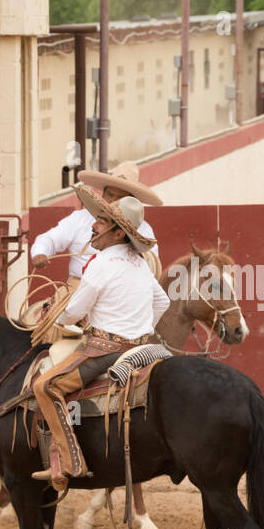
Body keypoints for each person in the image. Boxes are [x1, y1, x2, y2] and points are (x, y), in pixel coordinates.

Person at [30, 187, 171, 492]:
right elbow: (163, 303)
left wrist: (68, 315)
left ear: (119, 234)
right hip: (141, 348)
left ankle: (70, 462)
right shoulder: (140, 265)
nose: (94, 225)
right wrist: (140, 328)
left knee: (44, 385)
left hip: (105, 350)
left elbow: (70, 314)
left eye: (102, 222)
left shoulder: (101, 264)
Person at [29, 161, 162, 279]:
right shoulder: (80, 218)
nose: (112, 200)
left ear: (130, 202)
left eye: (120, 197)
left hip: (118, 291)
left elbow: (150, 263)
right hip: (77, 287)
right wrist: (40, 253)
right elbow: (50, 239)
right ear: (102, 194)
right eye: (110, 194)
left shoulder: (142, 229)